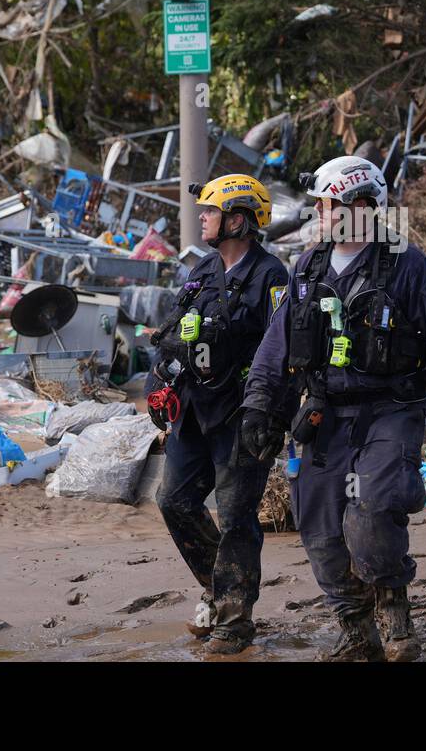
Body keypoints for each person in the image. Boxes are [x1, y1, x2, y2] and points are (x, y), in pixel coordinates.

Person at [239, 156, 426, 661]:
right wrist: (260, 410)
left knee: (372, 510)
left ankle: (393, 612)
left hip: (390, 413)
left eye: (328, 204)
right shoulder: (306, 268)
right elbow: (275, 349)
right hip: (323, 418)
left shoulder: (407, 266)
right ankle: (356, 627)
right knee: (319, 528)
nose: (319, 214)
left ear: (362, 207)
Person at [147, 174, 289, 655]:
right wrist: (157, 386)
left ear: (239, 219)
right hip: (193, 409)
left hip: (243, 415)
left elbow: (285, 351)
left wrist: (271, 413)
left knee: (235, 517)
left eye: (210, 210)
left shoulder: (273, 277)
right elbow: (173, 334)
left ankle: (233, 619)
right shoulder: (203, 270)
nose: (202, 217)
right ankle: (220, 588)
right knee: (175, 502)